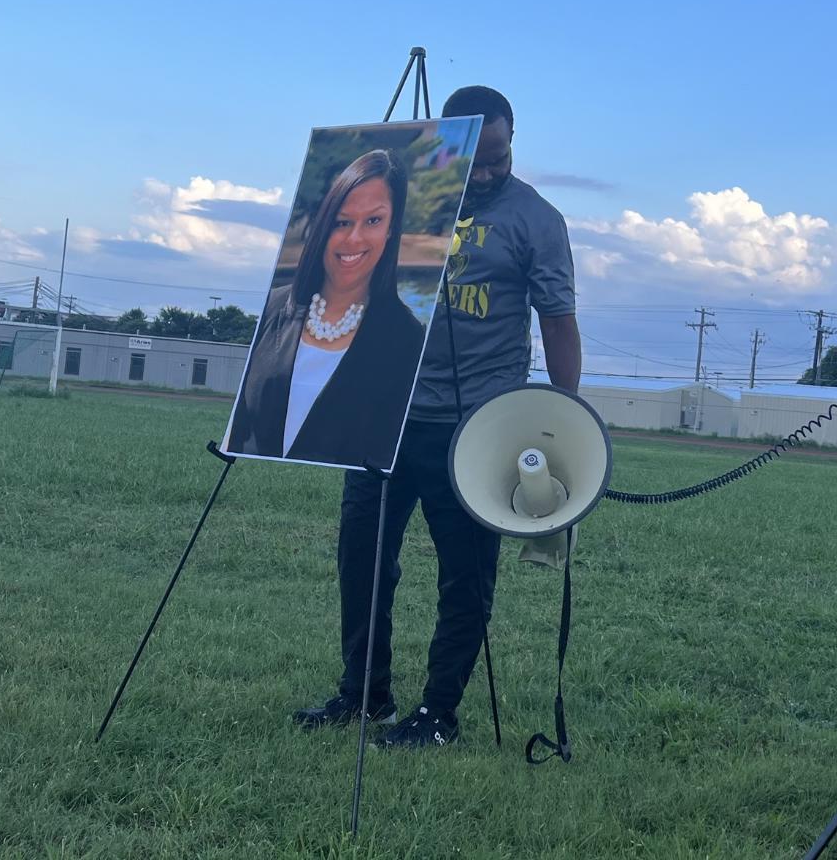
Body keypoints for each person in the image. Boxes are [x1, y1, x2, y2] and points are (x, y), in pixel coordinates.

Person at [294, 85, 583, 748]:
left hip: (474, 429)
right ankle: (362, 695)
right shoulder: (396, 202)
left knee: (466, 574)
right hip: (383, 414)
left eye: (499, 157)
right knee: (363, 558)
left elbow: (559, 323)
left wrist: (567, 421)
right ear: (442, 146)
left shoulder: (537, 219)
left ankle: (437, 713)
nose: (486, 171)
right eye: (473, 160)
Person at [225, 149, 426, 469]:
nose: (354, 238)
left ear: (391, 229)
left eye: (373, 220)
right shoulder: (276, 306)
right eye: (342, 222)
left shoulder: (407, 337)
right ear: (324, 225)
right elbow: (242, 426)